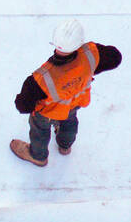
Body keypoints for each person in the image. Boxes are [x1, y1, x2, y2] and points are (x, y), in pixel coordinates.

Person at [11, 19, 122, 166]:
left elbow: (23, 106)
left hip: (47, 114)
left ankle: (38, 156)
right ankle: (65, 146)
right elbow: (115, 57)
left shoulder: (39, 79)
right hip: (74, 104)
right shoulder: (92, 53)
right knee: (69, 122)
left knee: (40, 131)